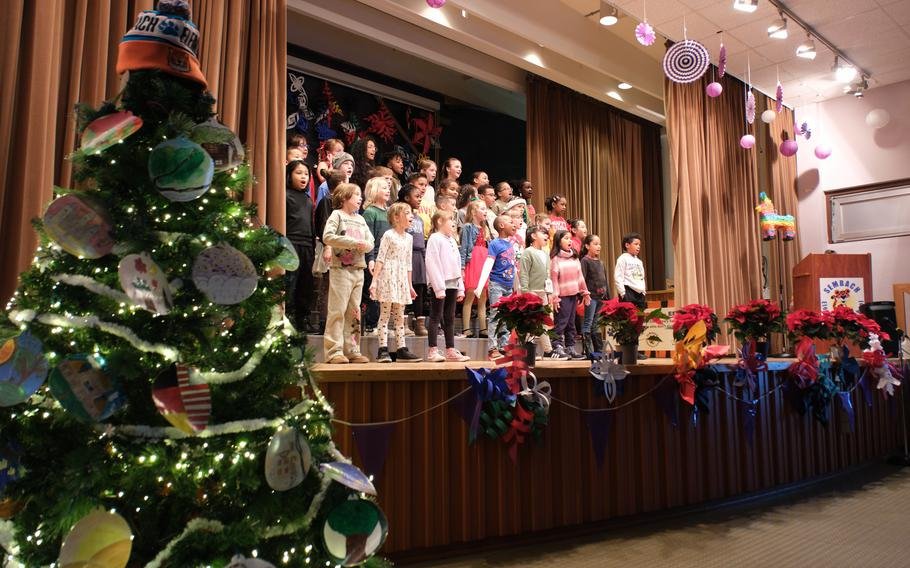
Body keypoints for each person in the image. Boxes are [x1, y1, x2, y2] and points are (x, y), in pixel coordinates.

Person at [322, 183, 374, 364]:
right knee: (337, 310)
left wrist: (365, 245)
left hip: (358, 270)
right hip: (341, 270)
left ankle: (352, 349)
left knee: (354, 312)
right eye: (356, 195)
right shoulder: (337, 215)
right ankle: (333, 351)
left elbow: (370, 241)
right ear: (344, 197)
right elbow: (327, 236)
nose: (360, 198)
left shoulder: (360, 219)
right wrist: (352, 242)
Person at [369, 202, 422, 363]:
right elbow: (380, 258)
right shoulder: (388, 235)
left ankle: (401, 349)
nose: (411, 216)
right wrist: (374, 281)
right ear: (396, 217)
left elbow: (408, 263)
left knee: (400, 316)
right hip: (387, 276)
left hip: (401, 278)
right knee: (385, 315)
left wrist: (409, 285)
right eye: (407, 213)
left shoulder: (409, 238)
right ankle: (382, 349)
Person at [425, 210, 471, 363]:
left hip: (452, 283)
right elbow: (432, 263)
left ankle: (450, 349)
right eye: (450, 219)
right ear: (439, 221)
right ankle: (432, 350)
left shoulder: (452, 240)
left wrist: (460, 287)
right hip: (440, 283)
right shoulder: (435, 238)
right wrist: (438, 287)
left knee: (450, 317)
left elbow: (457, 265)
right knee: (435, 316)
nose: (453, 222)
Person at [476, 215, 519, 360]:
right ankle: (492, 348)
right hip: (497, 285)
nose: (514, 224)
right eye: (510, 222)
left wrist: (517, 287)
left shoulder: (511, 245)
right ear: (501, 226)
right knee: (495, 316)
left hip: (508, 286)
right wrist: (480, 286)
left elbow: (513, 267)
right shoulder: (495, 244)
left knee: (506, 317)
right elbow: (488, 264)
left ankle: (504, 346)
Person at [520, 225, 565, 359]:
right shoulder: (528, 252)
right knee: (531, 322)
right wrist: (526, 292)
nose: (546, 235)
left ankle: (547, 350)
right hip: (532, 292)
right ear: (533, 236)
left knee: (543, 322)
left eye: (546, 233)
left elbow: (547, 275)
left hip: (543, 293)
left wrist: (549, 293)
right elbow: (524, 274)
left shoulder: (545, 253)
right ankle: (528, 350)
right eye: (542, 233)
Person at [284, 160, 317, 332]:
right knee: (290, 283)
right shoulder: (284, 195)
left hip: (307, 245)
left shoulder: (308, 199)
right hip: (291, 243)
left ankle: (302, 319)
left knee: (306, 284)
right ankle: (288, 318)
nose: (303, 177)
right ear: (289, 175)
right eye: (298, 173)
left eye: (306, 173)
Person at [549, 229, 590, 360]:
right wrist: (555, 297)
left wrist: (584, 292)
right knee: (561, 322)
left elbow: (580, 277)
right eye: (566, 238)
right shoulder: (555, 259)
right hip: (562, 296)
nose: (569, 241)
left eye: (570, 238)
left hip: (574, 295)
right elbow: (554, 280)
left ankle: (570, 347)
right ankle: (557, 346)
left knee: (571, 323)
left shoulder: (574, 258)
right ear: (558, 241)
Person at [361, 177, 392, 335]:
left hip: (388, 258)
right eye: (383, 188)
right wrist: (370, 258)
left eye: (388, 188)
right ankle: (371, 324)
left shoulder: (389, 212)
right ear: (374, 191)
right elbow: (369, 238)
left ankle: (382, 325)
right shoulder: (370, 212)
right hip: (375, 257)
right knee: (373, 291)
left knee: (385, 292)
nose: (388, 190)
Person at [400, 184, 429, 336]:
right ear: (406, 198)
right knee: (404, 288)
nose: (419, 199)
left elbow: (421, 242)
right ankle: (402, 323)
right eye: (416, 196)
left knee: (419, 290)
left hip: (418, 256)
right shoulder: (400, 215)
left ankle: (419, 323)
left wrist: (424, 258)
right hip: (406, 254)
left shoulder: (419, 219)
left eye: (420, 197)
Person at [460, 200, 490, 339]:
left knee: (483, 296)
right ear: (473, 212)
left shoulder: (485, 228)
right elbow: (464, 248)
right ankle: (466, 328)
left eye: (485, 209)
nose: (485, 211)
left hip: (484, 261)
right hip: (473, 261)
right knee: (471, 294)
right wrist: (462, 267)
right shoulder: (468, 227)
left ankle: (483, 328)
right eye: (482, 208)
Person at [580, 234, 608, 355]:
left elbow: (605, 281)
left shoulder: (601, 262)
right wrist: (584, 295)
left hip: (601, 297)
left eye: (599, 244)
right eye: (595, 244)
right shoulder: (585, 261)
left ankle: (598, 350)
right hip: (591, 297)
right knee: (588, 322)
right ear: (587, 246)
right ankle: (588, 350)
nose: (598, 246)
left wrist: (608, 297)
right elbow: (582, 279)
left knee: (596, 324)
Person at [614, 232, 646, 309]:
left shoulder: (639, 261)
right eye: (636, 244)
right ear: (627, 245)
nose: (638, 247)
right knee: (629, 315)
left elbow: (642, 277)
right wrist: (623, 293)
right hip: (628, 292)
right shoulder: (622, 258)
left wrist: (643, 292)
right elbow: (618, 277)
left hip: (640, 294)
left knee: (640, 315)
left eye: (639, 245)